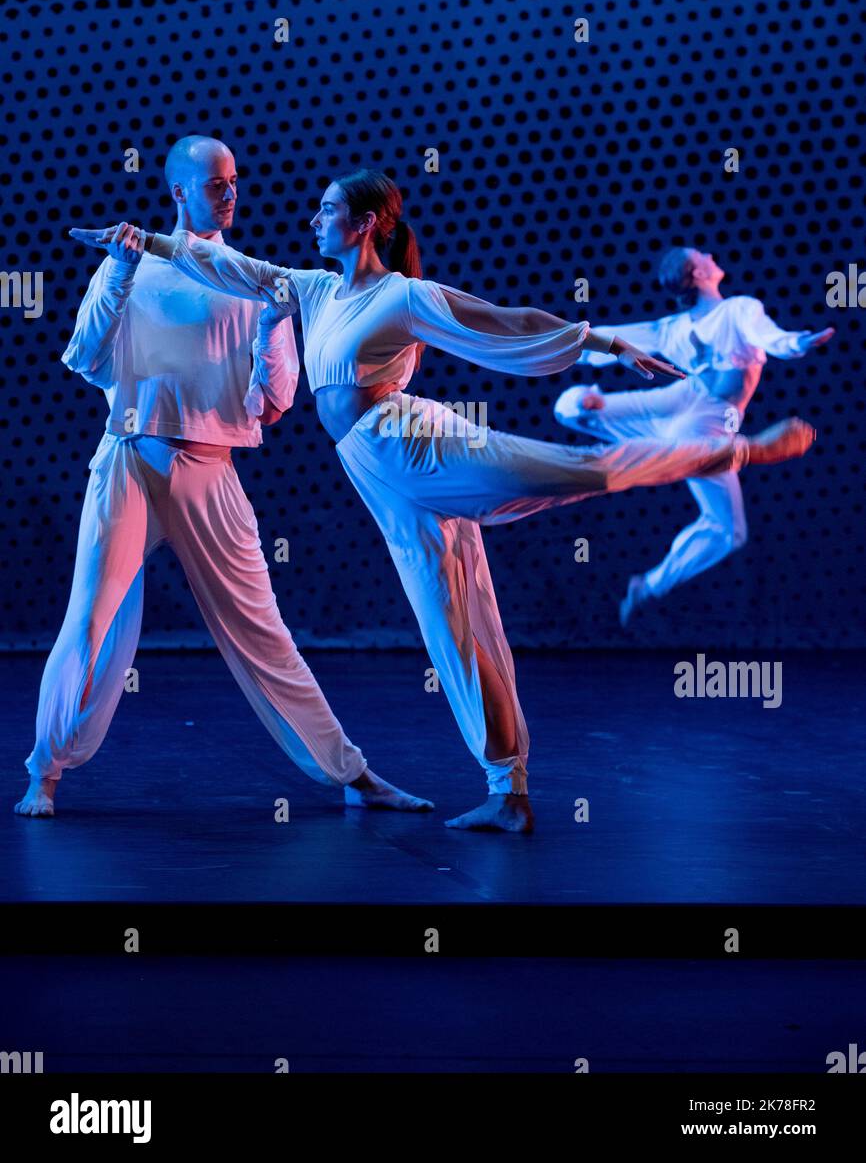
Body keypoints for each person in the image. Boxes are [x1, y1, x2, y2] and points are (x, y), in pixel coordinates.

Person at [71, 174, 816, 833]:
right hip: (378, 473)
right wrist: (149, 243)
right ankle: (508, 789)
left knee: (572, 468)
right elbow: (225, 262)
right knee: (453, 621)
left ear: (365, 224)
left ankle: (742, 449)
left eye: (328, 210)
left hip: (416, 440)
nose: (312, 220)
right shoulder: (314, 288)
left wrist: (600, 342)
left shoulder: (403, 296)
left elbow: (502, 322)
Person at [17, 141, 430, 818]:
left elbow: (274, 402)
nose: (231, 193)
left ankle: (353, 775)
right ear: (179, 192)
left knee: (264, 632)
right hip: (129, 461)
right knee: (89, 619)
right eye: (216, 184)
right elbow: (88, 360)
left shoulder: (252, 278)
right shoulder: (135, 263)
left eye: (236, 181)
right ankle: (46, 771)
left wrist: (271, 326)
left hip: (211, 471)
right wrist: (119, 271)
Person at [553, 247, 834, 625]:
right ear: (698, 274)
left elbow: (611, 340)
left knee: (573, 410)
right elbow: (769, 338)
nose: (710, 254)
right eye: (701, 255)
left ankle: (580, 404)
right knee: (728, 531)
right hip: (699, 421)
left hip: (684, 415)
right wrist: (797, 343)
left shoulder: (674, 329)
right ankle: (650, 584)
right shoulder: (735, 310)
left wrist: (795, 343)